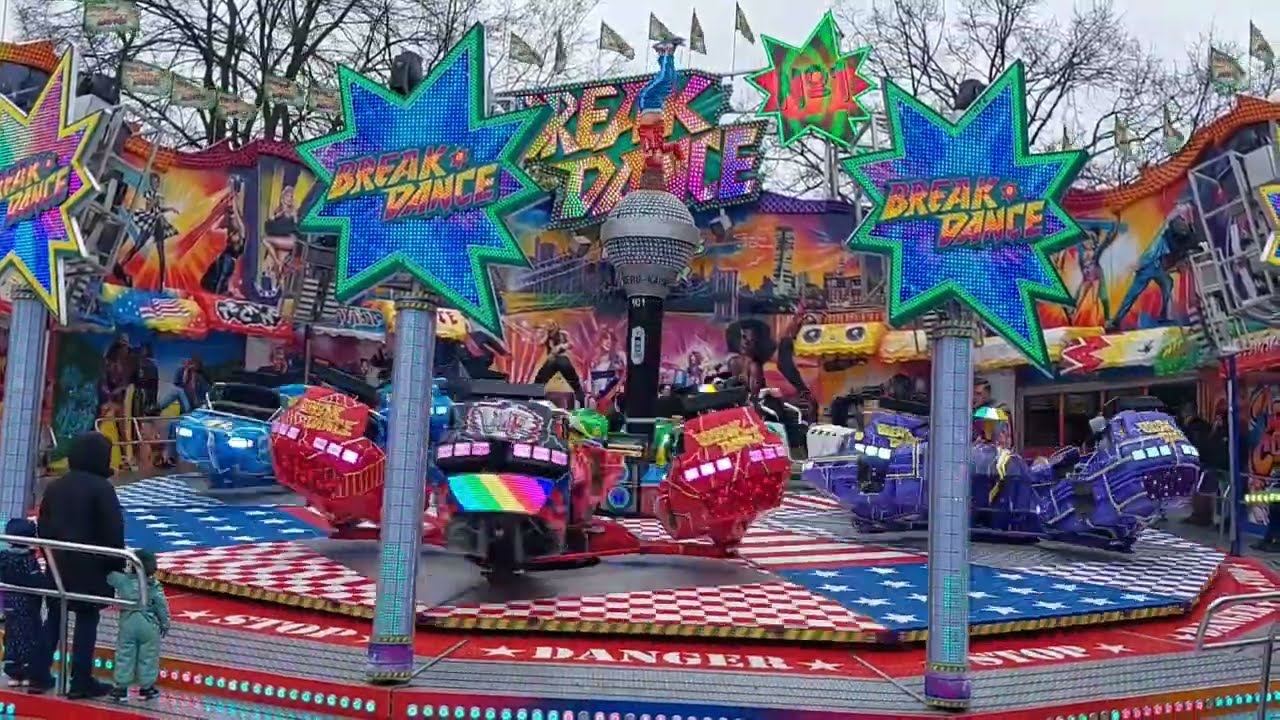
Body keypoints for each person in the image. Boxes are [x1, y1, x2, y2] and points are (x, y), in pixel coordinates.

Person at [29, 432, 125, 698]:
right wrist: (115, 564)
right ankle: (80, 681)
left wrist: (51, 556)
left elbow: (43, 524)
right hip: (91, 570)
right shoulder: (102, 489)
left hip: (58, 566)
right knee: (86, 622)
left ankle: (38, 675)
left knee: (54, 620)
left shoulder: (56, 487)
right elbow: (113, 532)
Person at [108, 549, 169, 702]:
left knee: (124, 654)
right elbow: (161, 607)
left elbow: (109, 576)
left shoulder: (123, 581)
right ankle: (146, 688)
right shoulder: (154, 586)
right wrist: (165, 623)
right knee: (148, 657)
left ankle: (120, 688)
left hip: (128, 623)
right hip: (149, 625)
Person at [1, 519, 46, 687]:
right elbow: (36, 580)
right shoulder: (29, 560)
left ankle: (13, 671)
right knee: (30, 637)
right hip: (28, 607)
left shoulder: (4, 557)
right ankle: (27, 671)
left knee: (11, 637)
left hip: (10, 606)